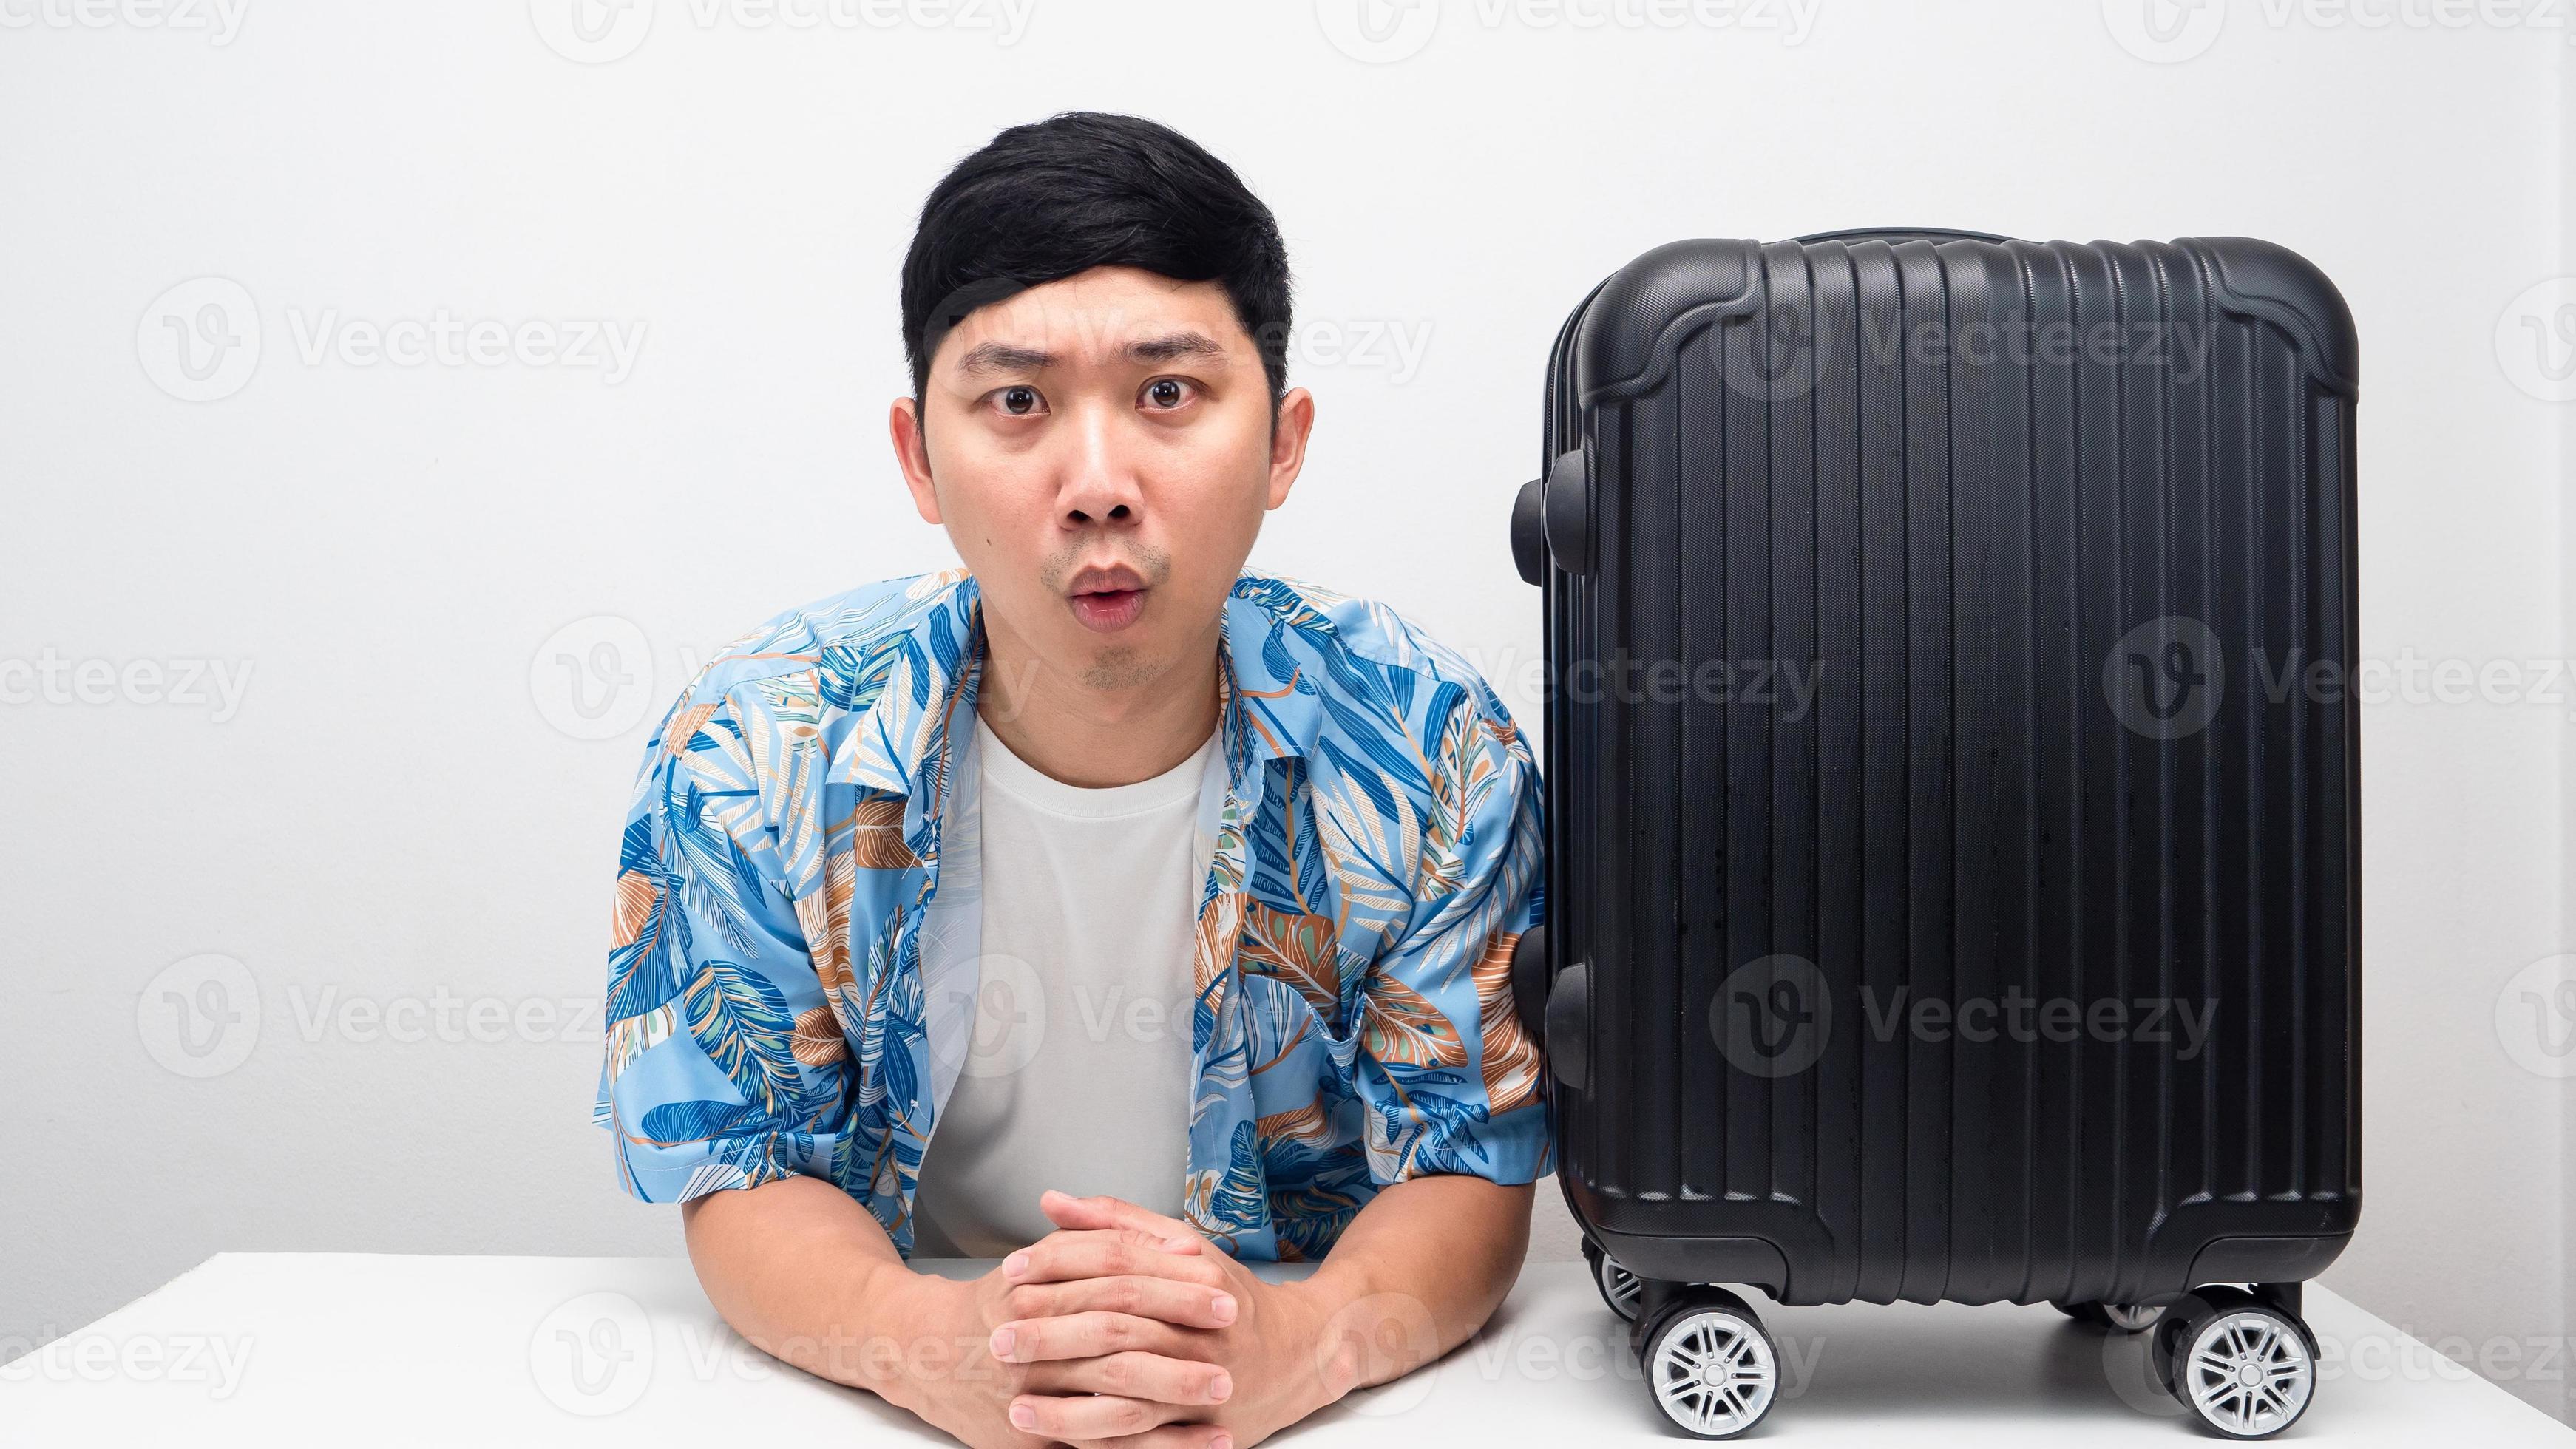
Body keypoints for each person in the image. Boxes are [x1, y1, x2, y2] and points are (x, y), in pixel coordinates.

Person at [594, 111, 1549, 1449]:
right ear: (920, 458)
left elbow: (1469, 1165)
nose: (1097, 486)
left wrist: (1293, 1350)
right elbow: (740, 1167)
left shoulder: (1428, 743)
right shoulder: (753, 748)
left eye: (1168, 394)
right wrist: (929, 1348)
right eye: (1017, 403)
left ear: (1282, 441)